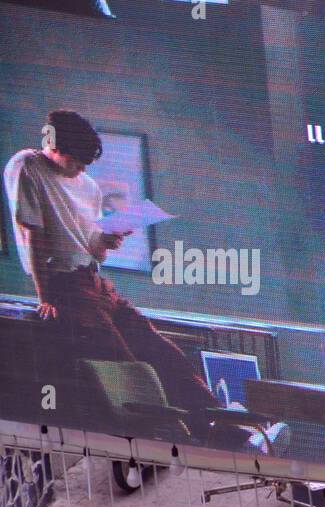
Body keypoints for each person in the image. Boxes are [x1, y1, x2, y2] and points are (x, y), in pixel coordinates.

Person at [4, 110, 283, 453]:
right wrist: (45, 296)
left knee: (160, 349)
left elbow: (91, 247)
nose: (81, 170)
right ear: (55, 147)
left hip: (95, 281)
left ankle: (224, 420)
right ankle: (207, 435)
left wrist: (107, 240)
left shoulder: (88, 187)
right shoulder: (28, 166)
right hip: (65, 285)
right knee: (127, 363)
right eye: (76, 162)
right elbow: (34, 236)